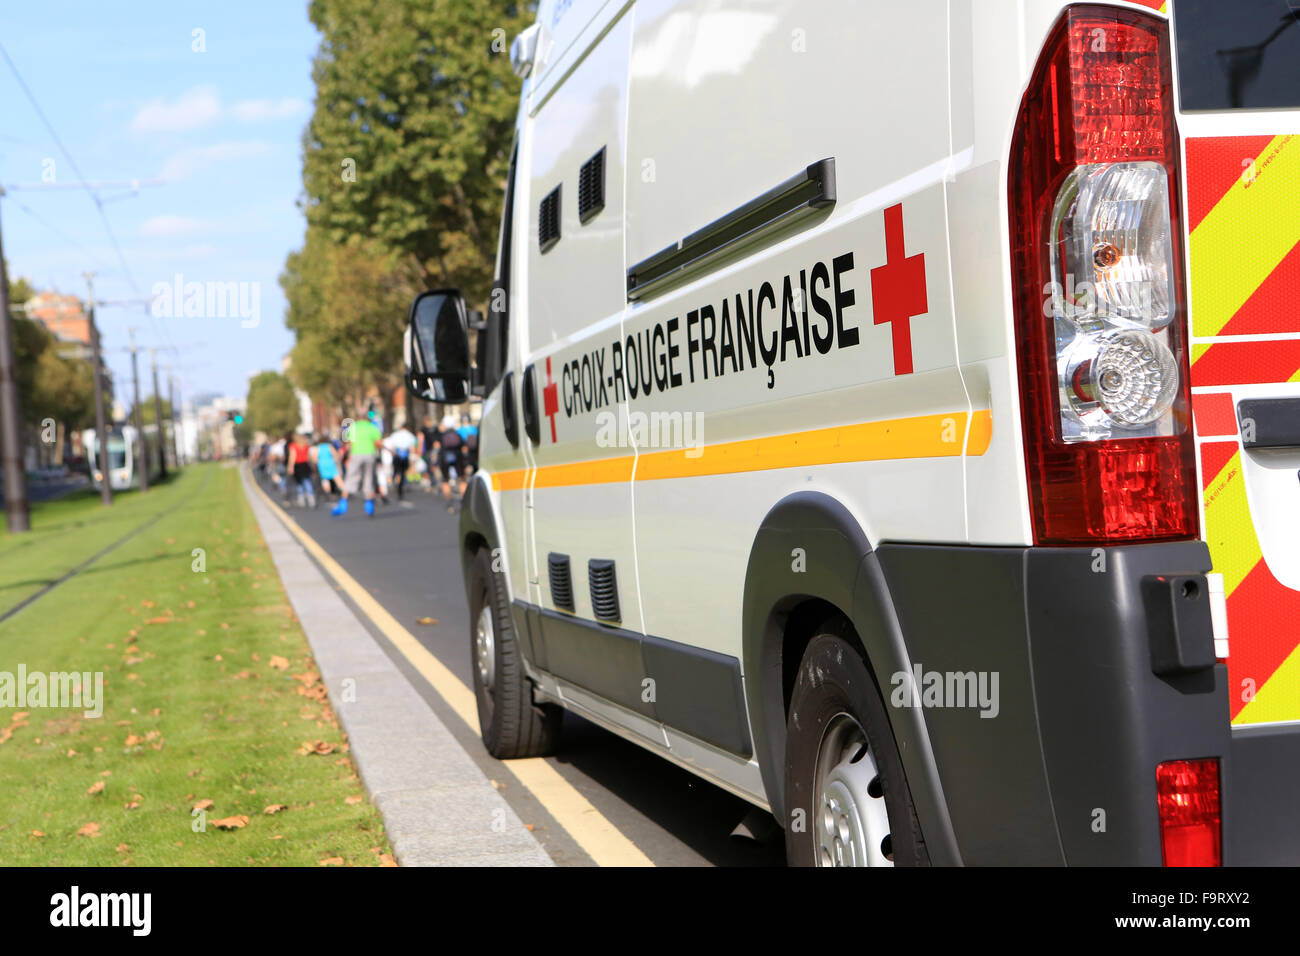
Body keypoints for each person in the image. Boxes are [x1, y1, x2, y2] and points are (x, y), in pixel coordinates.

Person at [332, 413, 383, 518]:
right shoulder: (372, 427)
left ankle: (343, 503)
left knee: (351, 477)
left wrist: (347, 456)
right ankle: (369, 505)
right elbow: (378, 442)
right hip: (369, 454)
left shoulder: (353, 427)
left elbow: (348, 443)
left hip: (356, 454)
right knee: (369, 478)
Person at [436, 414, 465, 510]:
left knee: (445, 480)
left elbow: (437, 447)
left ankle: (449, 501)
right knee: (461, 478)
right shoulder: (457, 434)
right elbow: (463, 446)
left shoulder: (442, 435)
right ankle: (464, 499)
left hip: (445, 458)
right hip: (458, 457)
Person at [385, 421, 418, 501]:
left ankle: (393, 483)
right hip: (405, 457)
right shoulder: (410, 436)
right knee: (402, 473)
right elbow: (412, 449)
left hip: (397, 456)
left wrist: (393, 456)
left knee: (396, 472)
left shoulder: (395, 435)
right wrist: (412, 461)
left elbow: (392, 447)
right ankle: (399, 489)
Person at [289, 431, 317, 508]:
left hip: (298, 466)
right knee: (307, 482)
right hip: (305, 465)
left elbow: (292, 457)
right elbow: (309, 457)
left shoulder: (293, 446)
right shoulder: (306, 446)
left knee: (300, 483)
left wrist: (290, 467)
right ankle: (311, 500)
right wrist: (312, 465)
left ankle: (301, 500)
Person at [315, 433, 339, 499]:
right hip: (330, 464)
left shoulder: (318, 447)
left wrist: (317, 464)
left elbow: (315, 458)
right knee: (335, 478)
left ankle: (328, 493)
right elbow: (335, 454)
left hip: (322, 465)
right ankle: (340, 492)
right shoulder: (329, 446)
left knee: (325, 480)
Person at [420, 415, 440, 492]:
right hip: (431, 450)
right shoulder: (433, 429)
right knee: (432, 467)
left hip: (429, 450)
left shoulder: (425, 429)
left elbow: (420, 440)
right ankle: (434, 482)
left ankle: (434, 482)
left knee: (430, 467)